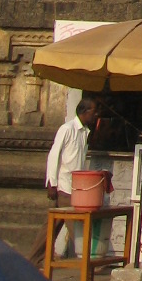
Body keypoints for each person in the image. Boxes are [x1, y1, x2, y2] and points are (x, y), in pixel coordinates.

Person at [28, 97, 98, 265]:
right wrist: (51, 183)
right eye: (93, 111)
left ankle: (33, 260)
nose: (95, 115)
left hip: (76, 187)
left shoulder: (85, 132)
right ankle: (86, 261)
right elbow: (54, 155)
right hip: (64, 186)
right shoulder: (67, 129)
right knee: (75, 226)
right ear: (84, 111)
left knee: (51, 226)